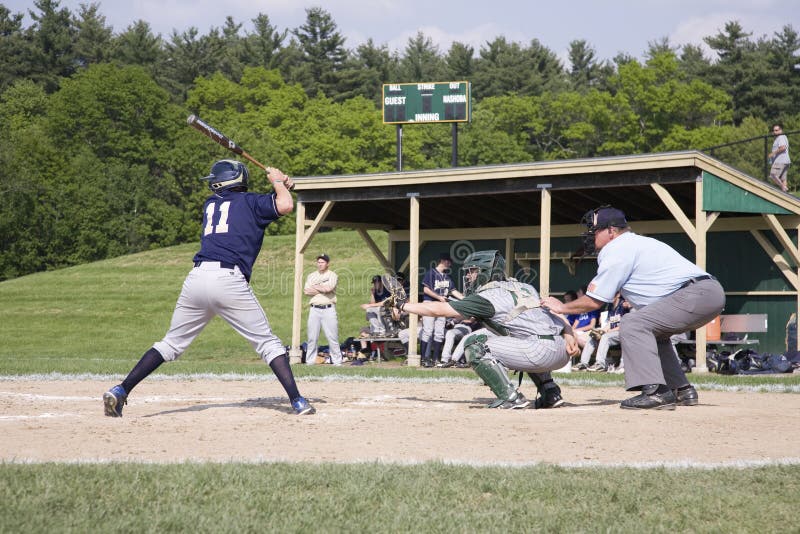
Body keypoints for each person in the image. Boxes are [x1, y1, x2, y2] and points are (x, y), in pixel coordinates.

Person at [102, 160, 315, 417]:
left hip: (197, 277)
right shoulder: (249, 202)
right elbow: (285, 205)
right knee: (268, 344)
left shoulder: (210, 205)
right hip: (228, 279)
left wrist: (282, 186)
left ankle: (121, 390)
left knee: (170, 344)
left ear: (222, 182)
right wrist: (279, 183)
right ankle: (297, 401)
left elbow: (277, 201)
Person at [542, 206, 725, 410]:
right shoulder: (634, 243)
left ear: (611, 231)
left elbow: (594, 301)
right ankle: (682, 389)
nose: (589, 235)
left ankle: (655, 393)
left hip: (695, 294)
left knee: (632, 323)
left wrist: (561, 307)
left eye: (594, 230)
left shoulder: (617, 248)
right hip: (704, 292)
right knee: (655, 333)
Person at [396, 250, 578, 409]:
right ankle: (550, 392)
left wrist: (402, 305)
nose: (468, 276)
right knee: (521, 335)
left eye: (472, 271)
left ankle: (511, 397)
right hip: (562, 351)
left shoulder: (487, 296)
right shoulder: (524, 287)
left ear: (485, 272)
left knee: (474, 345)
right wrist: (570, 334)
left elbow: (436, 310)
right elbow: (554, 312)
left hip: (539, 353)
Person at [419, 253, 463, 366]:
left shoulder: (447, 277)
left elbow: (453, 291)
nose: (450, 264)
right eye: (448, 262)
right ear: (443, 261)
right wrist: (439, 297)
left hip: (442, 306)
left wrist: (464, 299)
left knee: (439, 333)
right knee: (427, 331)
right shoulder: (431, 273)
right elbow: (426, 290)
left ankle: (435, 359)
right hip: (430, 303)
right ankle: (424, 359)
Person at [575, 294, 630, 372]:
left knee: (605, 337)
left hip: (622, 332)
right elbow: (610, 322)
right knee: (593, 335)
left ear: (617, 295)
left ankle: (600, 364)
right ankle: (583, 363)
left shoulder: (623, 305)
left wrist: (607, 332)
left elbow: (625, 324)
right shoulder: (611, 306)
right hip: (611, 332)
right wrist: (602, 331)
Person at [304, 254, 343, 366]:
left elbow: (329, 288)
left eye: (322, 262)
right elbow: (306, 291)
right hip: (314, 309)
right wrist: (322, 288)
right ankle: (310, 361)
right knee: (312, 337)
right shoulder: (311, 276)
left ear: (327, 263)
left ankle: (337, 361)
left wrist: (315, 287)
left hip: (328, 308)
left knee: (332, 337)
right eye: (318, 262)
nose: (320, 264)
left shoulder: (332, 275)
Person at [768, 123, 791, 192]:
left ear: (781, 130)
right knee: (783, 179)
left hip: (780, 161)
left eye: (777, 130)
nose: (775, 132)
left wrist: (773, 153)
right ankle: (785, 194)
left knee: (772, 175)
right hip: (786, 161)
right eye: (774, 131)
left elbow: (783, 147)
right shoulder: (783, 137)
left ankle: (783, 187)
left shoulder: (780, 137)